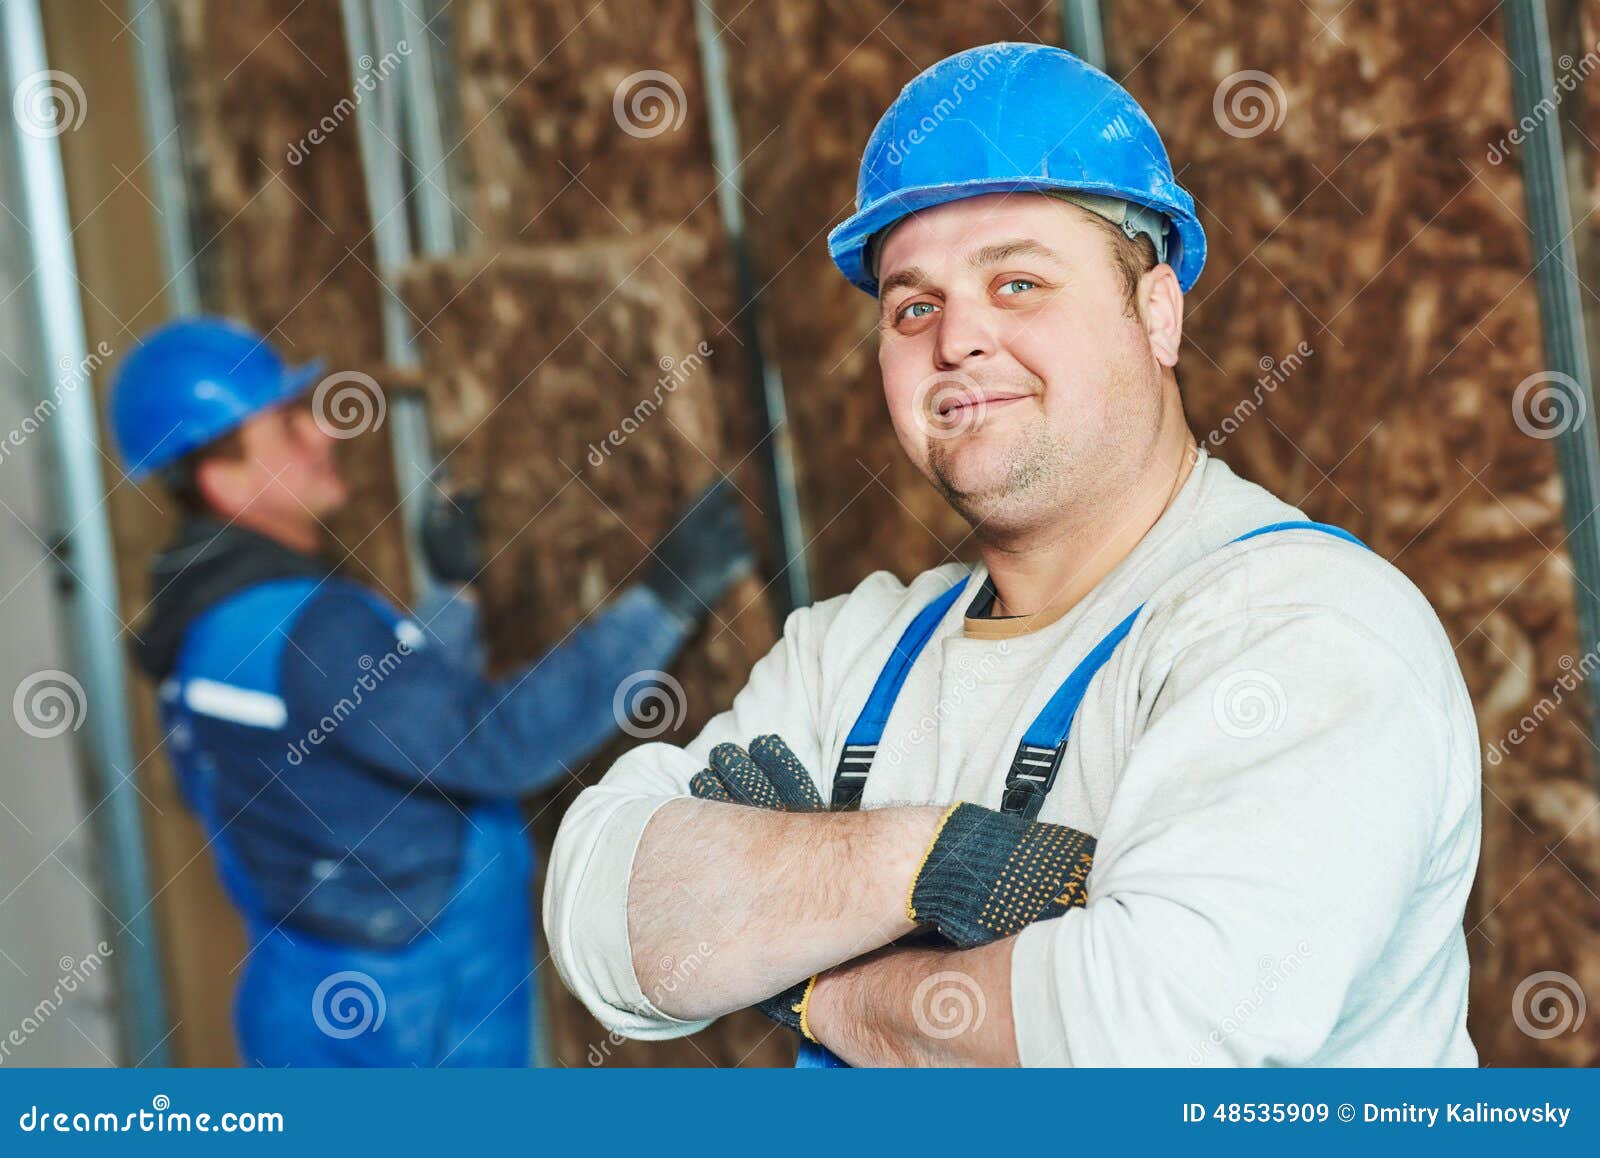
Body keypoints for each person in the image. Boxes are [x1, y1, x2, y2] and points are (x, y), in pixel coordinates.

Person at [544, 42, 1481, 1067]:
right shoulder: (848, 654)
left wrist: (816, 981)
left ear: (1157, 313)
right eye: (914, 305)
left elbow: (1149, 1040)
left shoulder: (1301, 629)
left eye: (1019, 282)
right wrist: (928, 859)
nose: (956, 341)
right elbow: (603, 923)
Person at [110, 316, 752, 1067]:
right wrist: (665, 602)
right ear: (225, 481)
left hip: (309, 996)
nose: (323, 430)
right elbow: (496, 744)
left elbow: (382, 721)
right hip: (418, 1020)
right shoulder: (313, 628)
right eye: (287, 425)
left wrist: (452, 595)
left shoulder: (209, 628)